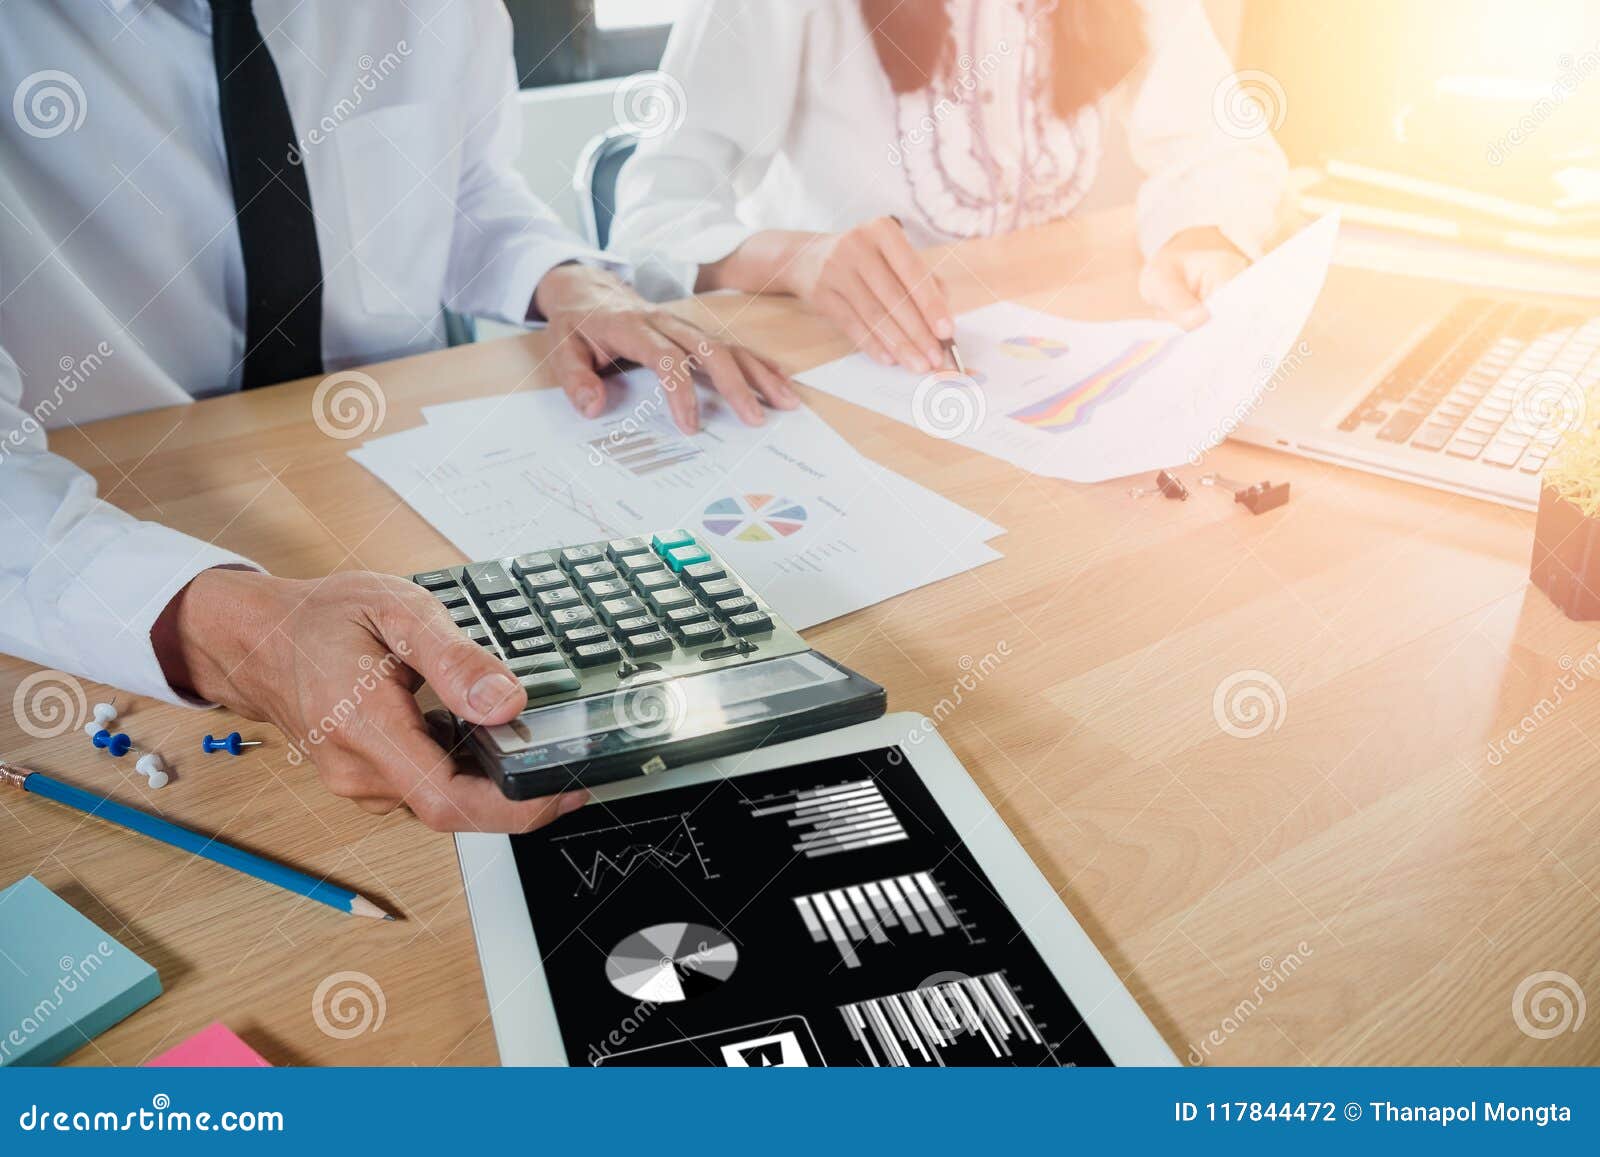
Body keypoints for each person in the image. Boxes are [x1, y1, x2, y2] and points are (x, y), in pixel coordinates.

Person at [0, 1, 799, 833]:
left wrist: (562, 276)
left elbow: (467, 188)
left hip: (393, 488)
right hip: (104, 539)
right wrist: (221, 630)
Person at [609, 0, 1289, 372]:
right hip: (840, 374)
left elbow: (1224, 143)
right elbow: (649, 219)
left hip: (1032, 377)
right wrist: (799, 258)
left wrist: (1201, 232)